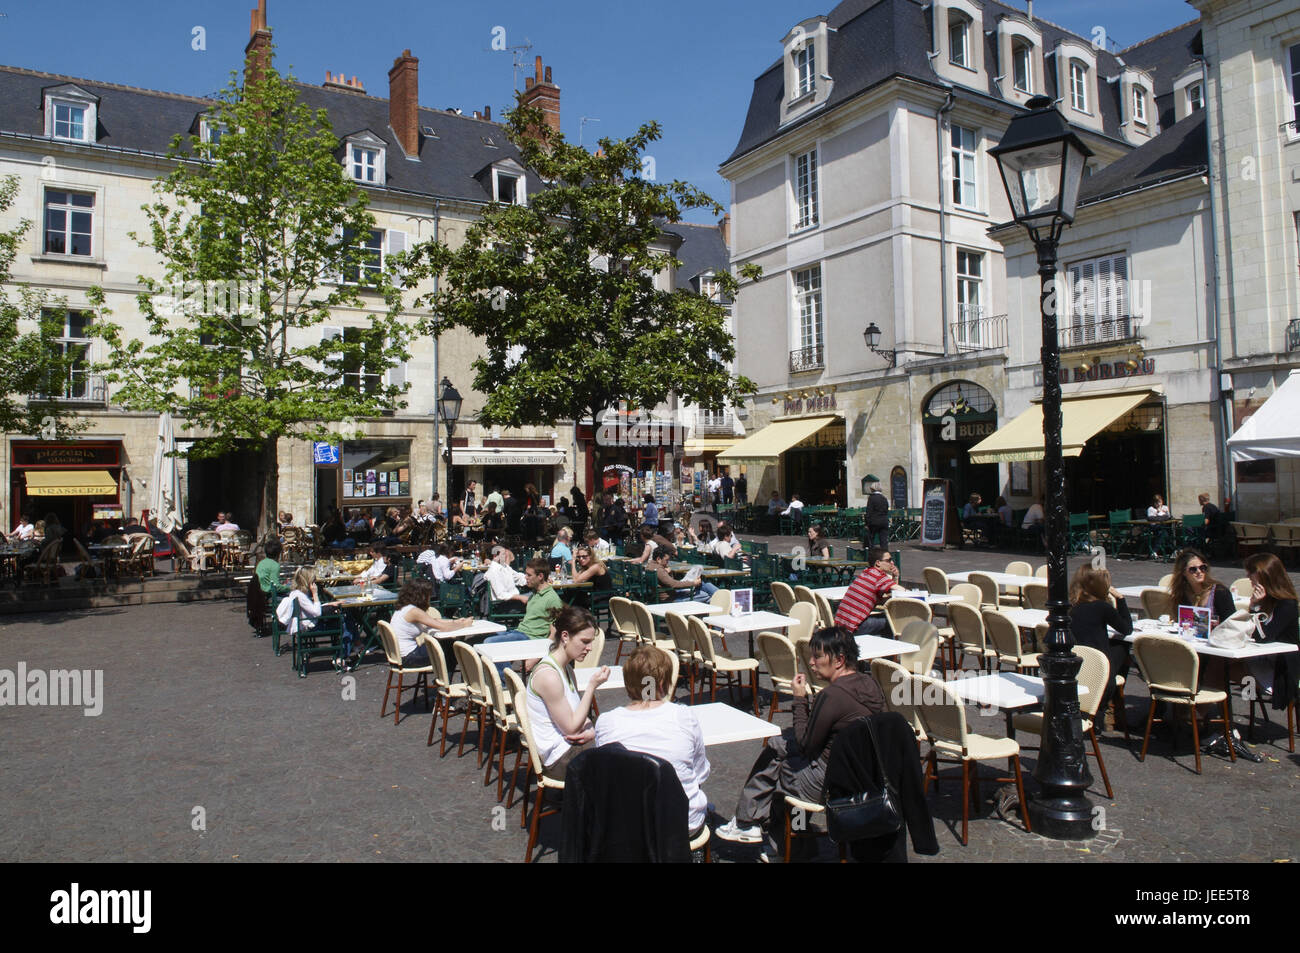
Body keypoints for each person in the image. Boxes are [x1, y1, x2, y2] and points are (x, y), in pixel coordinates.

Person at [715, 626, 886, 849]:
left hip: (830, 783)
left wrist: (799, 699)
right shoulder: (871, 684)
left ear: (839, 660)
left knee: (782, 766)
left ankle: (763, 832)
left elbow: (806, 743)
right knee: (781, 748)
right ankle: (778, 838)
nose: (811, 662)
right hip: (863, 776)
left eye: (817, 656)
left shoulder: (832, 696)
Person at [594, 645, 711, 838]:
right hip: (678, 823)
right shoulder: (684, 717)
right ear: (664, 682)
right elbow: (700, 773)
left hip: (624, 824)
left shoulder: (606, 721)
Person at [526, 605, 610, 780]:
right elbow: (571, 727)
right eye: (585, 642)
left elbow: (578, 714)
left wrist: (592, 731)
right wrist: (591, 687)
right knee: (624, 755)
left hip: (569, 749)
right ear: (565, 636)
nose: (589, 648)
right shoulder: (549, 676)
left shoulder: (566, 668)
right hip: (560, 759)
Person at [1068, 565, 1133, 721]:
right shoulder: (1102, 607)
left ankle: (1111, 707)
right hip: (1100, 665)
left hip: (1078, 660)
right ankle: (1112, 705)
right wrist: (1120, 598)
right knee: (1124, 646)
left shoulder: (1072, 606)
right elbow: (1126, 629)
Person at [1243, 553, 1299, 709]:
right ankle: (1226, 723)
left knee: (1226, 668)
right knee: (1223, 665)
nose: (1248, 576)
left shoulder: (1287, 604)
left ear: (1264, 574)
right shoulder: (1268, 601)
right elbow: (1251, 633)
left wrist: (1254, 607)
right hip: (1265, 658)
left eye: (1251, 572)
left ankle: (1225, 724)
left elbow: (1263, 637)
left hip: (1281, 667)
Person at [384, 578, 474, 669]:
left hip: (401, 656)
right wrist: (464, 625)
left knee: (448, 646)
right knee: (452, 648)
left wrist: (455, 621)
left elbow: (433, 620)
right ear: (422, 595)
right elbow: (443, 628)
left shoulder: (405, 607)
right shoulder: (414, 611)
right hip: (409, 657)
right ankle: (448, 680)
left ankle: (445, 680)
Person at [483, 559, 564, 648]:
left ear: (540, 576)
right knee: (480, 637)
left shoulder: (552, 599)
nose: (525, 577)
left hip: (530, 638)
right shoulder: (535, 593)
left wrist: (544, 651)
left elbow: (557, 630)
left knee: (489, 643)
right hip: (519, 632)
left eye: (529, 575)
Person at [833, 546, 900, 636]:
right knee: (892, 621)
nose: (892, 563)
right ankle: (890, 648)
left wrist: (895, 577)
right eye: (889, 560)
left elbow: (881, 599)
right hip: (853, 629)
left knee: (882, 619)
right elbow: (902, 592)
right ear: (878, 563)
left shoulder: (866, 573)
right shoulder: (879, 577)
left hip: (840, 627)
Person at [1168, 548, 1235, 624]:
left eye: (1202, 567)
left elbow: (1232, 624)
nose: (1199, 571)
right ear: (1183, 572)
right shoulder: (1182, 594)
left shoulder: (1220, 593)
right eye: (1193, 569)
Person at [650, 548, 719, 603]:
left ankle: (722, 598)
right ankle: (723, 599)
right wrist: (693, 583)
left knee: (703, 585)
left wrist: (669, 572)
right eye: (666, 560)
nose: (667, 563)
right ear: (658, 559)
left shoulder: (651, 566)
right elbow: (673, 584)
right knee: (706, 595)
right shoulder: (659, 570)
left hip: (670, 594)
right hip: (672, 599)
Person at [865, 480, 890, 549]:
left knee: (870, 539)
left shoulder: (871, 498)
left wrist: (866, 523)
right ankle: (885, 555)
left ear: (873, 489)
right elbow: (886, 510)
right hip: (884, 521)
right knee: (884, 541)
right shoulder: (884, 498)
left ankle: (871, 554)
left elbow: (868, 512)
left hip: (874, 522)